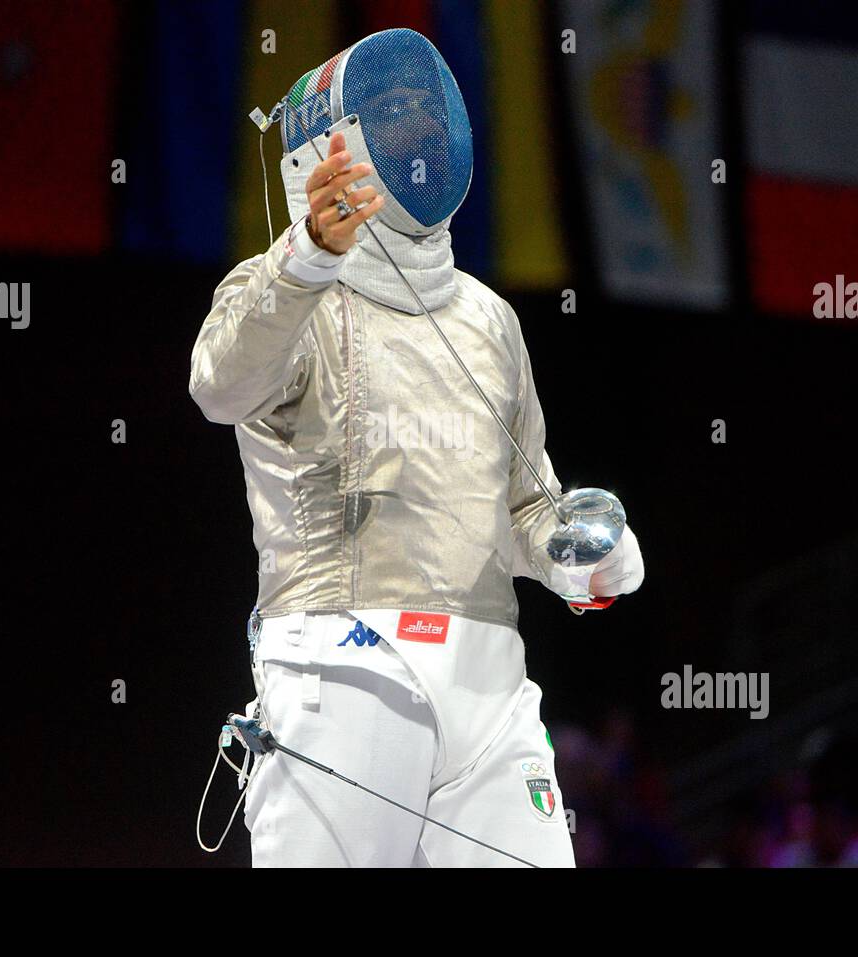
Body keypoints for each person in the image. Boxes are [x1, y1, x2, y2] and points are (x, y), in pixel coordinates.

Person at [189, 28, 644, 867]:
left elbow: (525, 501)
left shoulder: (488, 320)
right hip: (344, 666)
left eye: (420, 109)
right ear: (324, 149)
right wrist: (307, 258)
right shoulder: (277, 290)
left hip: (490, 687)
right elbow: (218, 386)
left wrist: (579, 557)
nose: (414, 129)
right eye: (388, 112)